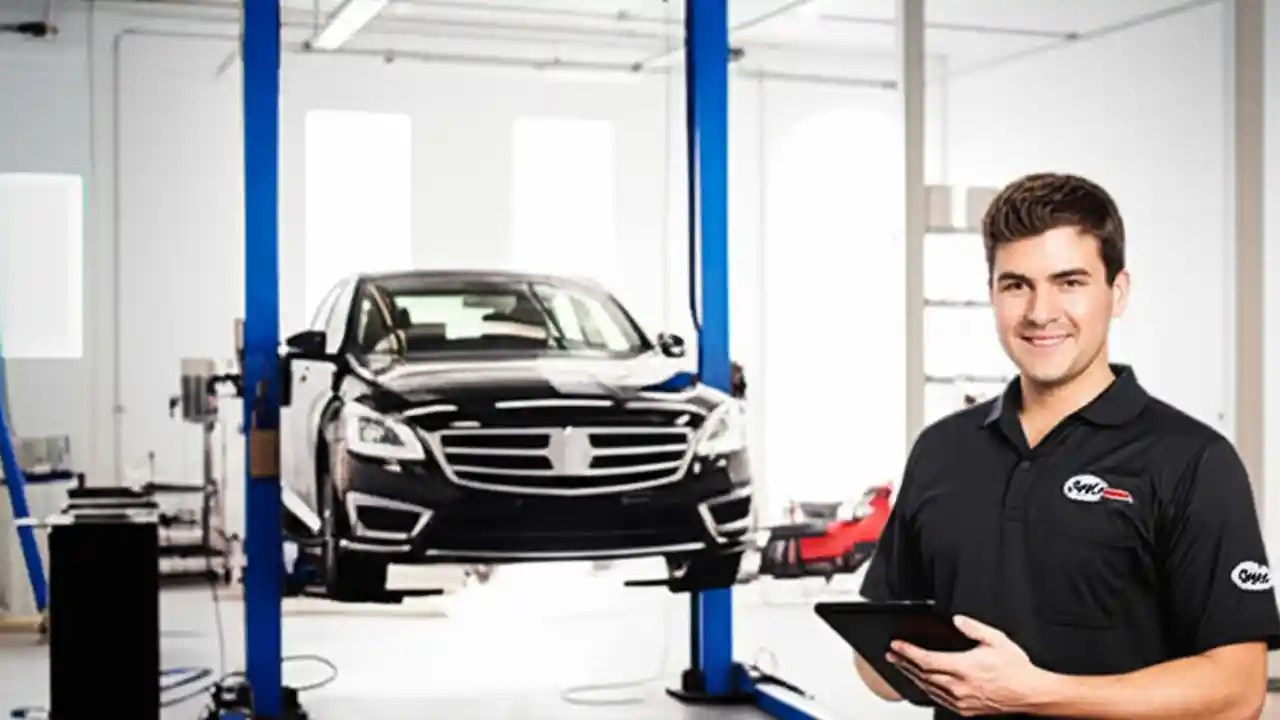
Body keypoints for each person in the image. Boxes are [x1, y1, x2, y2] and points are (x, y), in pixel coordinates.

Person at [853, 172, 1280, 719]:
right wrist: (894, 659)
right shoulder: (942, 450)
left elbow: (1238, 692)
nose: (1039, 312)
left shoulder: (1193, 461)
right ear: (992, 294)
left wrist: (1031, 691)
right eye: (1016, 285)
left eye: (1069, 282)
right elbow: (882, 668)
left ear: (1117, 292)